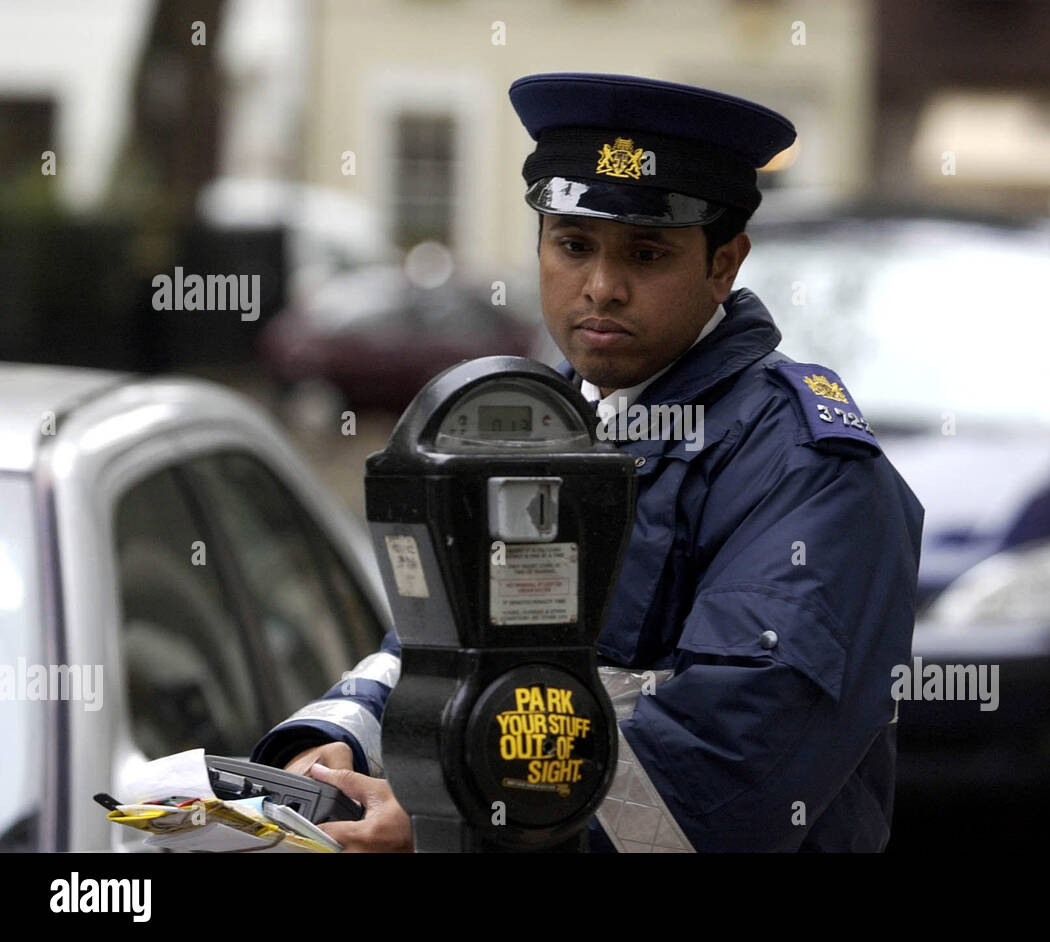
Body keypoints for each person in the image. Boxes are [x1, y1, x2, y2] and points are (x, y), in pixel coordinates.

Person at [249, 72, 925, 852]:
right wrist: (335, 749)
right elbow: (443, 647)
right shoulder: (535, 425)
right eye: (573, 245)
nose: (601, 287)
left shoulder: (810, 468)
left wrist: (462, 822)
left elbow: (725, 777)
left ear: (723, 264)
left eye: (646, 252)